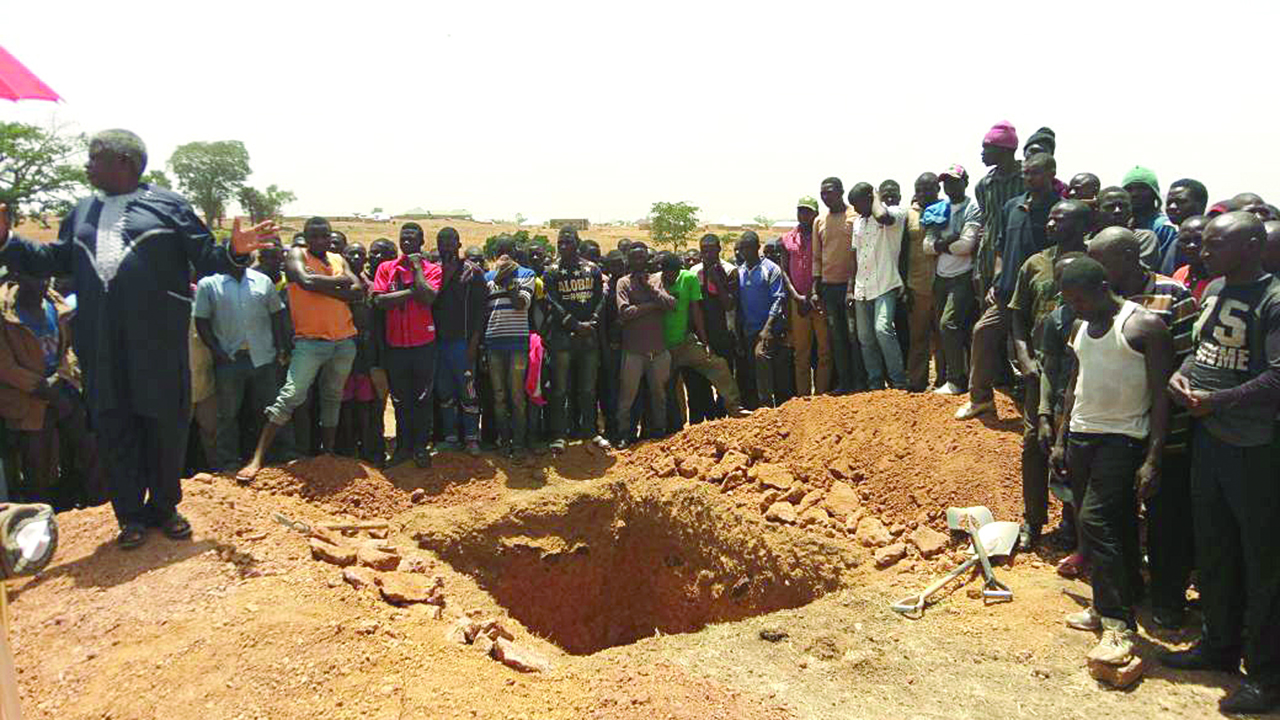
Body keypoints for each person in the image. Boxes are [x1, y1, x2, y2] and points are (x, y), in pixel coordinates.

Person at [0, 129, 276, 548]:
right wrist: (7, 241)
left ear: (125, 162)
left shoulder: (169, 206)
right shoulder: (82, 211)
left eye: (95, 158)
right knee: (113, 426)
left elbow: (206, 258)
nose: (88, 165)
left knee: (164, 424)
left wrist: (235, 250)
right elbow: (54, 260)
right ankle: (129, 515)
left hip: (158, 344)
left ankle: (165, 507)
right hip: (101, 345)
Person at [1162, 212, 1280, 715]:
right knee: (1215, 549)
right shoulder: (1211, 291)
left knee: (1262, 565)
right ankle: (1219, 645)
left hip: (1253, 447)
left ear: (1253, 245)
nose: (1204, 252)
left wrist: (1220, 401)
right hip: (1208, 440)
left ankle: (1267, 676)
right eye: (1205, 245)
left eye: (1216, 244)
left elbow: (1277, 378)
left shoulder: (1273, 301)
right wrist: (1181, 377)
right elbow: (1202, 351)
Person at [1050, 256, 1172, 669]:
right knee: (1110, 525)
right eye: (1069, 300)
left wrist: (1153, 457)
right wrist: (1062, 439)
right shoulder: (1080, 326)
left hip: (1122, 440)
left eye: (1080, 299)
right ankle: (1111, 603)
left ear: (1104, 287)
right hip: (1083, 435)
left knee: (1096, 521)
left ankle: (1119, 626)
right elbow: (1074, 384)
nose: (1075, 307)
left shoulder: (1143, 327)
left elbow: (1161, 398)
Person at [1088, 229, 1198, 628]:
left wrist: (1160, 442)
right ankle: (1128, 591)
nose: (1096, 271)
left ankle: (1169, 601)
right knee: (1118, 518)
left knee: (1167, 519)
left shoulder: (1174, 296)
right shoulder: (1101, 301)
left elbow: (1189, 361)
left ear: (1131, 258)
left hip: (1167, 431)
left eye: (1103, 262)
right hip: (1119, 430)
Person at [237, 217, 361, 484]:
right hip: (310, 342)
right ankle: (257, 458)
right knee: (290, 395)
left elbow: (358, 291)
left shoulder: (337, 257)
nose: (320, 241)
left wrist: (325, 283)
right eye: (314, 236)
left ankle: (327, 454)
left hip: (343, 341)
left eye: (324, 236)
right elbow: (304, 281)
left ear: (330, 236)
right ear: (306, 237)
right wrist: (339, 283)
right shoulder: (296, 254)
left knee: (332, 397)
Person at [1009, 199, 1091, 549]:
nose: (1051, 224)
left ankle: (1071, 522)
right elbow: (1016, 316)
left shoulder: (1095, 263)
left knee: (1074, 447)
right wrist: (1024, 358)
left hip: (1084, 370)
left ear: (1082, 225)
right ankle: (1033, 520)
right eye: (1051, 218)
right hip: (1041, 370)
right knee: (1034, 444)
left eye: (1061, 219)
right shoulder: (1035, 264)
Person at [956, 151, 1056, 420]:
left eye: (1035, 173)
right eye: (1026, 173)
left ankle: (1044, 408)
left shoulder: (1057, 209)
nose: (1029, 177)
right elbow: (1000, 246)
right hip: (1007, 291)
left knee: (1037, 349)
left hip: (1040, 294)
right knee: (982, 333)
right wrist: (997, 278)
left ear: (1051, 175)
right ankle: (981, 399)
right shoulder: (1012, 206)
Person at [0, 272, 106, 509]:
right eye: (34, 277)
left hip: (62, 387)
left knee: (90, 446)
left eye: (44, 277)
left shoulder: (53, 302)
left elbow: (68, 347)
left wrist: (60, 376)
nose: (41, 283)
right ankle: (41, 520)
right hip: (26, 400)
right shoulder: (4, 311)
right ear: (17, 275)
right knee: (37, 464)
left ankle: (101, 510)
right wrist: (42, 387)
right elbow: (4, 366)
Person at [193, 255, 289, 473]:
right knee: (228, 415)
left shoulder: (262, 281)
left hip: (263, 358)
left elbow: (277, 315)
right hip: (230, 359)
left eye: (245, 256)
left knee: (269, 411)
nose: (240, 259)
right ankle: (228, 462)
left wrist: (281, 347)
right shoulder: (209, 284)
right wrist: (217, 352)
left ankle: (273, 459)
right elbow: (202, 321)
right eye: (235, 254)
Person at [371, 223, 442, 467]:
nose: (407, 242)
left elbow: (430, 297)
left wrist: (416, 269)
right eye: (404, 238)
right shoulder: (386, 268)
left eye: (412, 239)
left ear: (421, 242)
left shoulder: (432, 269)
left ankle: (421, 446)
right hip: (396, 346)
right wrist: (413, 292)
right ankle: (403, 447)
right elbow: (380, 301)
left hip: (424, 344)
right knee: (400, 400)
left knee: (423, 398)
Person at [659, 250, 750, 425]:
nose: (673, 276)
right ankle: (667, 427)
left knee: (718, 365)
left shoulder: (688, 278)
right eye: (670, 273)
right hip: (663, 347)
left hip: (685, 342)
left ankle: (734, 407)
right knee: (664, 388)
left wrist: (705, 341)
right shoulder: (655, 282)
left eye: (676, 272)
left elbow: (696, 311)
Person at [543, 227, 606, 452]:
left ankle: (590, 431)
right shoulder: (551, 272)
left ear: (577, 244)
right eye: (560, 242)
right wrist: (574, 324)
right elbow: (552, 302)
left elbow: (600, 298)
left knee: (588, 389)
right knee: (560, 389)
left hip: (588, 337)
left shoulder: (593, 269)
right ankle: (559, 435)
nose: (562, 246)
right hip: (563, 338)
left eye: (567, 242)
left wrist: (592, 322)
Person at [924, 165, 981, 396]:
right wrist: (949, 242)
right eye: (946, 182)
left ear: (965, 182)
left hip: (963, 276)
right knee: (948, 328)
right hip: (941, 277)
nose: (949, 186)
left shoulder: (973, 208)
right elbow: (927, 247)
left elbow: (967, 245)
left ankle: (956, 380)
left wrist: (941, 245)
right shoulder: (937, 209)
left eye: (954, 181)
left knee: (950, 325)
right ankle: (960, 378)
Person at [845, 183, 908, 389]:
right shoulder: (858, 223)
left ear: (870, 198)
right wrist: (850, 288)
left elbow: (882, 216)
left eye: (858, 203)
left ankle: (898, 381)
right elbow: (855, 255)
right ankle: (875, 383)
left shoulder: (895, 213)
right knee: (865, 338)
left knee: (883, 330)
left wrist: (875, 194)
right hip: (862, 287)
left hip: (886, 283)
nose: (855, 209)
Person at [614, 242, 676, 448]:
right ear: (629, 260)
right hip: (633, 351)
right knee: (627, 397)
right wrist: (652, 305)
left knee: (659, 395)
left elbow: (669, 304)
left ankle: (659, 433)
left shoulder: (656, 280)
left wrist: (649, 288)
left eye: (642, 257)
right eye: (634, 258)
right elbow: (625, 313)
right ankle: (624, 434)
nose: (638, 261)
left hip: (657, 350)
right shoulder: (623, 283)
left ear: (647, 259)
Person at [432, 227, 486, 456]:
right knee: (444, 393)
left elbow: (480, 312)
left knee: (468, 391)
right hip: (437, 342)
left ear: (459, 243)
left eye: (450, 241)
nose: (446, 245)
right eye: (441, 241)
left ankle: (472, 438)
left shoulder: (472, 272)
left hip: (462, 343)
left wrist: (473, 343)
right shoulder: (432, 271)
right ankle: (451, 438)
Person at [482, 237, 537, 460]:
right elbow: (484, 312)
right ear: (496, 253)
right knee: (499, 396)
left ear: (514, 252)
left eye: (508, 250)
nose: (504, 254)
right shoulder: (487, 277)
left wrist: (508, 282)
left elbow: (521, 304)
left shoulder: (526, 274)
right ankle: (504, 441)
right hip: (494, 341)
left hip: (517, 342)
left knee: (516, 396)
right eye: (500, 251)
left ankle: (520, 443)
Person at [811, 177, 866, 393]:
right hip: (829, 287)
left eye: (830, 192)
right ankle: (844, 384)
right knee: (838, 337)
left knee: (855, 336)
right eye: (823, 193)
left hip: (852, 286)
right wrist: (816, 289)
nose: (826, 197)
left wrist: (853, 287)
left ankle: (860, 384)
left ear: (841, 192)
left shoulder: (855, 216)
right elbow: (817, 257)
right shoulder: (819, 221)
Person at [778, 197, 830, 396]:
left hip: (819, 300)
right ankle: (803, 398)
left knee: (824, 351)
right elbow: (783, 270)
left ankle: (821, 395)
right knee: (801, 353)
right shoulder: (788, 239)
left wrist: (812, 294)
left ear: (816, 214)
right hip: (797, 301)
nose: (804, 215)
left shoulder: (822, 236)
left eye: (808, 211)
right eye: (801, 211)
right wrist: (797, 296)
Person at [336, 242, 381, 463]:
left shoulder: (371, 286)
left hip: (364, 353)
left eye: (360, 254)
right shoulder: (337, 284)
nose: (356, 257)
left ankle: (366, 449)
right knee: (344, 403)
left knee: (364, 403)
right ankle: (347, 449)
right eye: (351, 253)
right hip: (342, 349)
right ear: (343, 256)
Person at [972, 121, 1026, 302]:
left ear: (1003, 150)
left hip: (1018, 259)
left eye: (986, 148)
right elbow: (987, 221)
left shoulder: (1027, 179)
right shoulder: (984, 185)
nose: (982, 153)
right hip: (988, 260)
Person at [736, 232, 787, 407]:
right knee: (749, 368)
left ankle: (767, 404)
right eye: (742, 248)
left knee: (760, 356)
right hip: (747, 329)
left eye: (748, 248)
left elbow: (778, 299)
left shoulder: (771, 269)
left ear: (757, 248)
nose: (744, 252)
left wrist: (767, 329)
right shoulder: (739, 272)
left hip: (766, 328)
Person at [903, 174, 940, 391]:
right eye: (920, 189)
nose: (924, 193)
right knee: (918, 338)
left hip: (943, 282)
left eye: (929, 189)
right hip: (916, 285)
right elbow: (902, 251)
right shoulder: (909, 215)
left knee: (943, 337)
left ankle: (945, 380)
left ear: (938, 189)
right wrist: (904, 286)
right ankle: (917, 383)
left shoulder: (947, 210)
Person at [1121, 166, 1179, 265]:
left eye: (1142, 188)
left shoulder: (1163, 227)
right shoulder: (1122, 224)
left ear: (1154, 193)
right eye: (1129, 189)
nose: (1135, 193)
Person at [1092, 187, 1161, 269]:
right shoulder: (1089, 240)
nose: (1117, 211)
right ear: (1097, 210)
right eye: (1110, 207)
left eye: (1123, 206)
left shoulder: (1143, 238)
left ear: (1131, 208)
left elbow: (1137, 271)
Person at [1173, 215, 1212, 300]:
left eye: (1199, 240)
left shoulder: (1221, 279)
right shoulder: (1180, 274)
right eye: (1185, 241)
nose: (1191, 246)